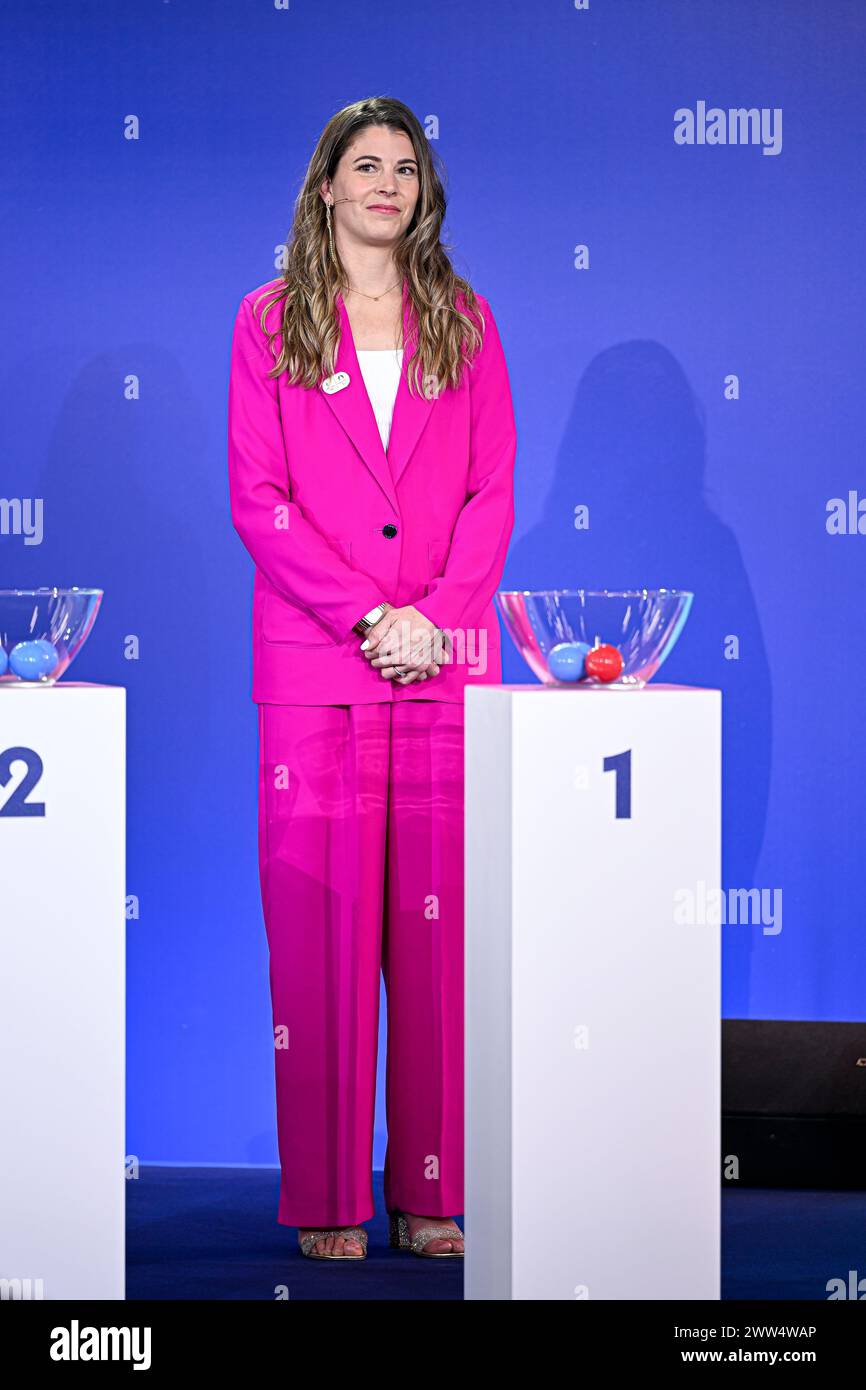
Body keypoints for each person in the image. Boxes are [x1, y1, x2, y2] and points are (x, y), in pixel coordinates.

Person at [227, 95, 517, 1261]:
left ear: (422, 190)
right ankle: (327, 1198)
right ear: (328, 186)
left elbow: (488, 499)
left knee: (435, 936)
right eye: (366, 164)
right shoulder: (267, 322)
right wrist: (370, 615)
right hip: (314, 669)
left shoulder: (467, 320)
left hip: (438, 673)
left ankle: (430, 1191)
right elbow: (262, 501)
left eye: (406, 165)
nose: (388, 182)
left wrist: (432, 623)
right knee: (320, 931)